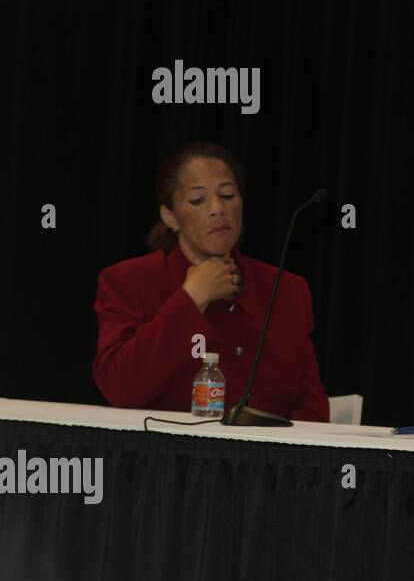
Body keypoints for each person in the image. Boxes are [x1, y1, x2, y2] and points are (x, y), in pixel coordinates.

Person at [93, 142, 329, 421]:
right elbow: (120, 388)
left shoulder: (287, 289)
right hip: (166, 457)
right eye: (198, 200)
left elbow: (312, 410)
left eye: (228, 195)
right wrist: (192, 297)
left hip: (266, 459)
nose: (218, 209)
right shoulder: (129, 281)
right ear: (170, 216)